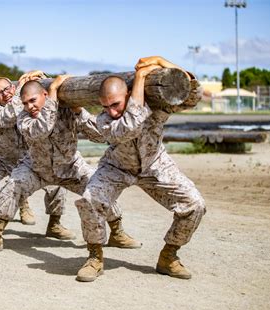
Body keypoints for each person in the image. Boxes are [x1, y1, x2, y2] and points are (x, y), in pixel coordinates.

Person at [75, 56, 206, 282]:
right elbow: (130, 126)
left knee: (195, 205)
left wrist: (163, 63)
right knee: (90, 199)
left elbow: (192, 94)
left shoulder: (155, 103)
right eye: (105, 106)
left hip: (154, 164)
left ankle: (169, 256)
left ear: (127, 94)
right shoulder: (104, 120)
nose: (111, 111)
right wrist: (140, 77)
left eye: (115, 104)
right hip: (117, 166)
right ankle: (94, 257)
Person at [0, 75, 139, 253]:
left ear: (44, 94)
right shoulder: (24, 117)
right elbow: (41, 130)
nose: (30, 106)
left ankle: (117, 232)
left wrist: (78, 111)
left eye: (33, 100)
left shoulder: (66, 109)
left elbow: (100, 135)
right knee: (13, 186)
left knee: (98, 187)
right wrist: (53, 95)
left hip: (70, 166)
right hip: (36, 167)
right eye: (25, 103)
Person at [0, 72, 72, 246]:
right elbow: (10, 114)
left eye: (7, 89)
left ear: (13, 88)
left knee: (55, 184)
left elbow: (43, 97)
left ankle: (54, 224)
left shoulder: (26, 104)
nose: (5, 93)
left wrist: (42, 76)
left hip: (25, 158)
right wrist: (21, 84)